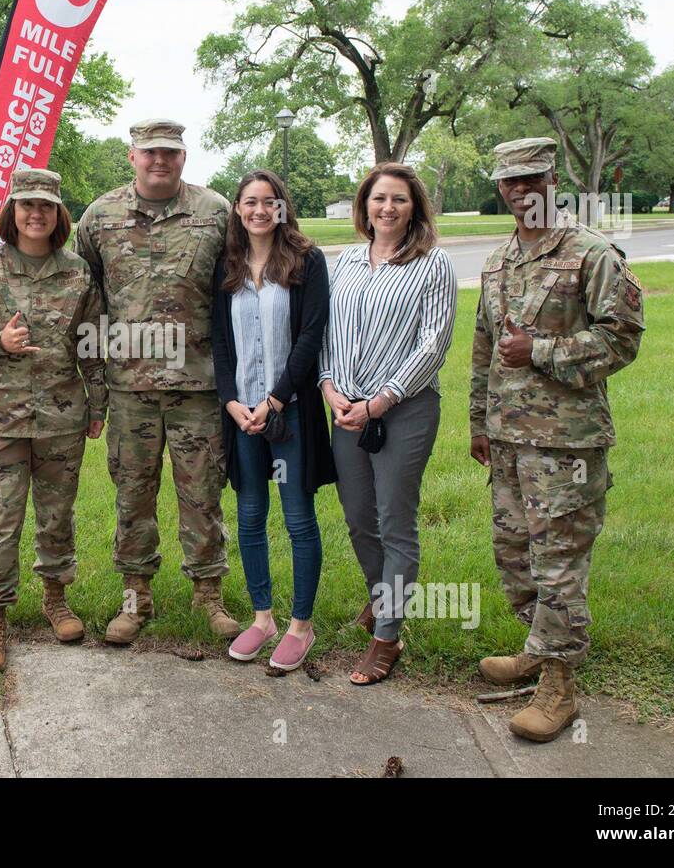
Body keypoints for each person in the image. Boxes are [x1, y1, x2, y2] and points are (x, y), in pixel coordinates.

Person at [470, 137, 644, 742]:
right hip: (509, 440)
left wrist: (540, 350)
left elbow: (622, 339)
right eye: (509, 182)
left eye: (531, 179)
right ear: (500, 188)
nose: (520, 191)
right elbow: (486, 348)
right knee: (514, 552)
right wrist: (478, 424)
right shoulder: (498, 261)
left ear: (552, 180)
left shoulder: (591, 253)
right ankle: (539, 649)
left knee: (559, 560)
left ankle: (560, 684)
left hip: (566, 446)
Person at [74, 119, 240, 645]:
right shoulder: (100, 218)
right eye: (150, 153)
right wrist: (95, 389)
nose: (159, 161)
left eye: (170, 152)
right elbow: (87, 301)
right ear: (132, 156)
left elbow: (239, 290)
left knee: (202, 494)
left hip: (200, 385)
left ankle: (208, 594)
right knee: (133, 495)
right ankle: (135, 597)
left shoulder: (216, 212)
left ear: (184, 157)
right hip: (130, 390)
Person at [0, 169, 107, 673]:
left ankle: (55, 600)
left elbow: (94, 342)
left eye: (45, 207)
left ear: (58, 215)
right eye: (26, 205)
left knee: (57, 517)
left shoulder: (78, 273)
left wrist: (97, 404)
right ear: (11, 212)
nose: (35, 214)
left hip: (61, 421)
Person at [319, 162, 457, 685]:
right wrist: (330, 388)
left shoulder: (432, 264)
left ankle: (388, 637)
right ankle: (383, 598)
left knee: (395, 520)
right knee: (358, 517)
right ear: (365, 206)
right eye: (379, 199)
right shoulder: (347, 261)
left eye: (399, 199)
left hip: (404, 409)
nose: (388, 208)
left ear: (414, 207)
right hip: (345, 409)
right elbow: (327, 331)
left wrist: (381, 401)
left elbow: (434, 342)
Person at [211, 170, 335, 671]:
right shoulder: (229, 266)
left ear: (283, 207)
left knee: (298, 518)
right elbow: (219, 342)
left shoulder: (306, 261)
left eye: (269, 202)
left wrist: (277, 399)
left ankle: (300, 626)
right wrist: (231, 401)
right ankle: (262, 618)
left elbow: (311, 335)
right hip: (243, 416)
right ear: (237, 210)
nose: (260, 211)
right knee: (249, 516)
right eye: (249, 202)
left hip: (291, 414)